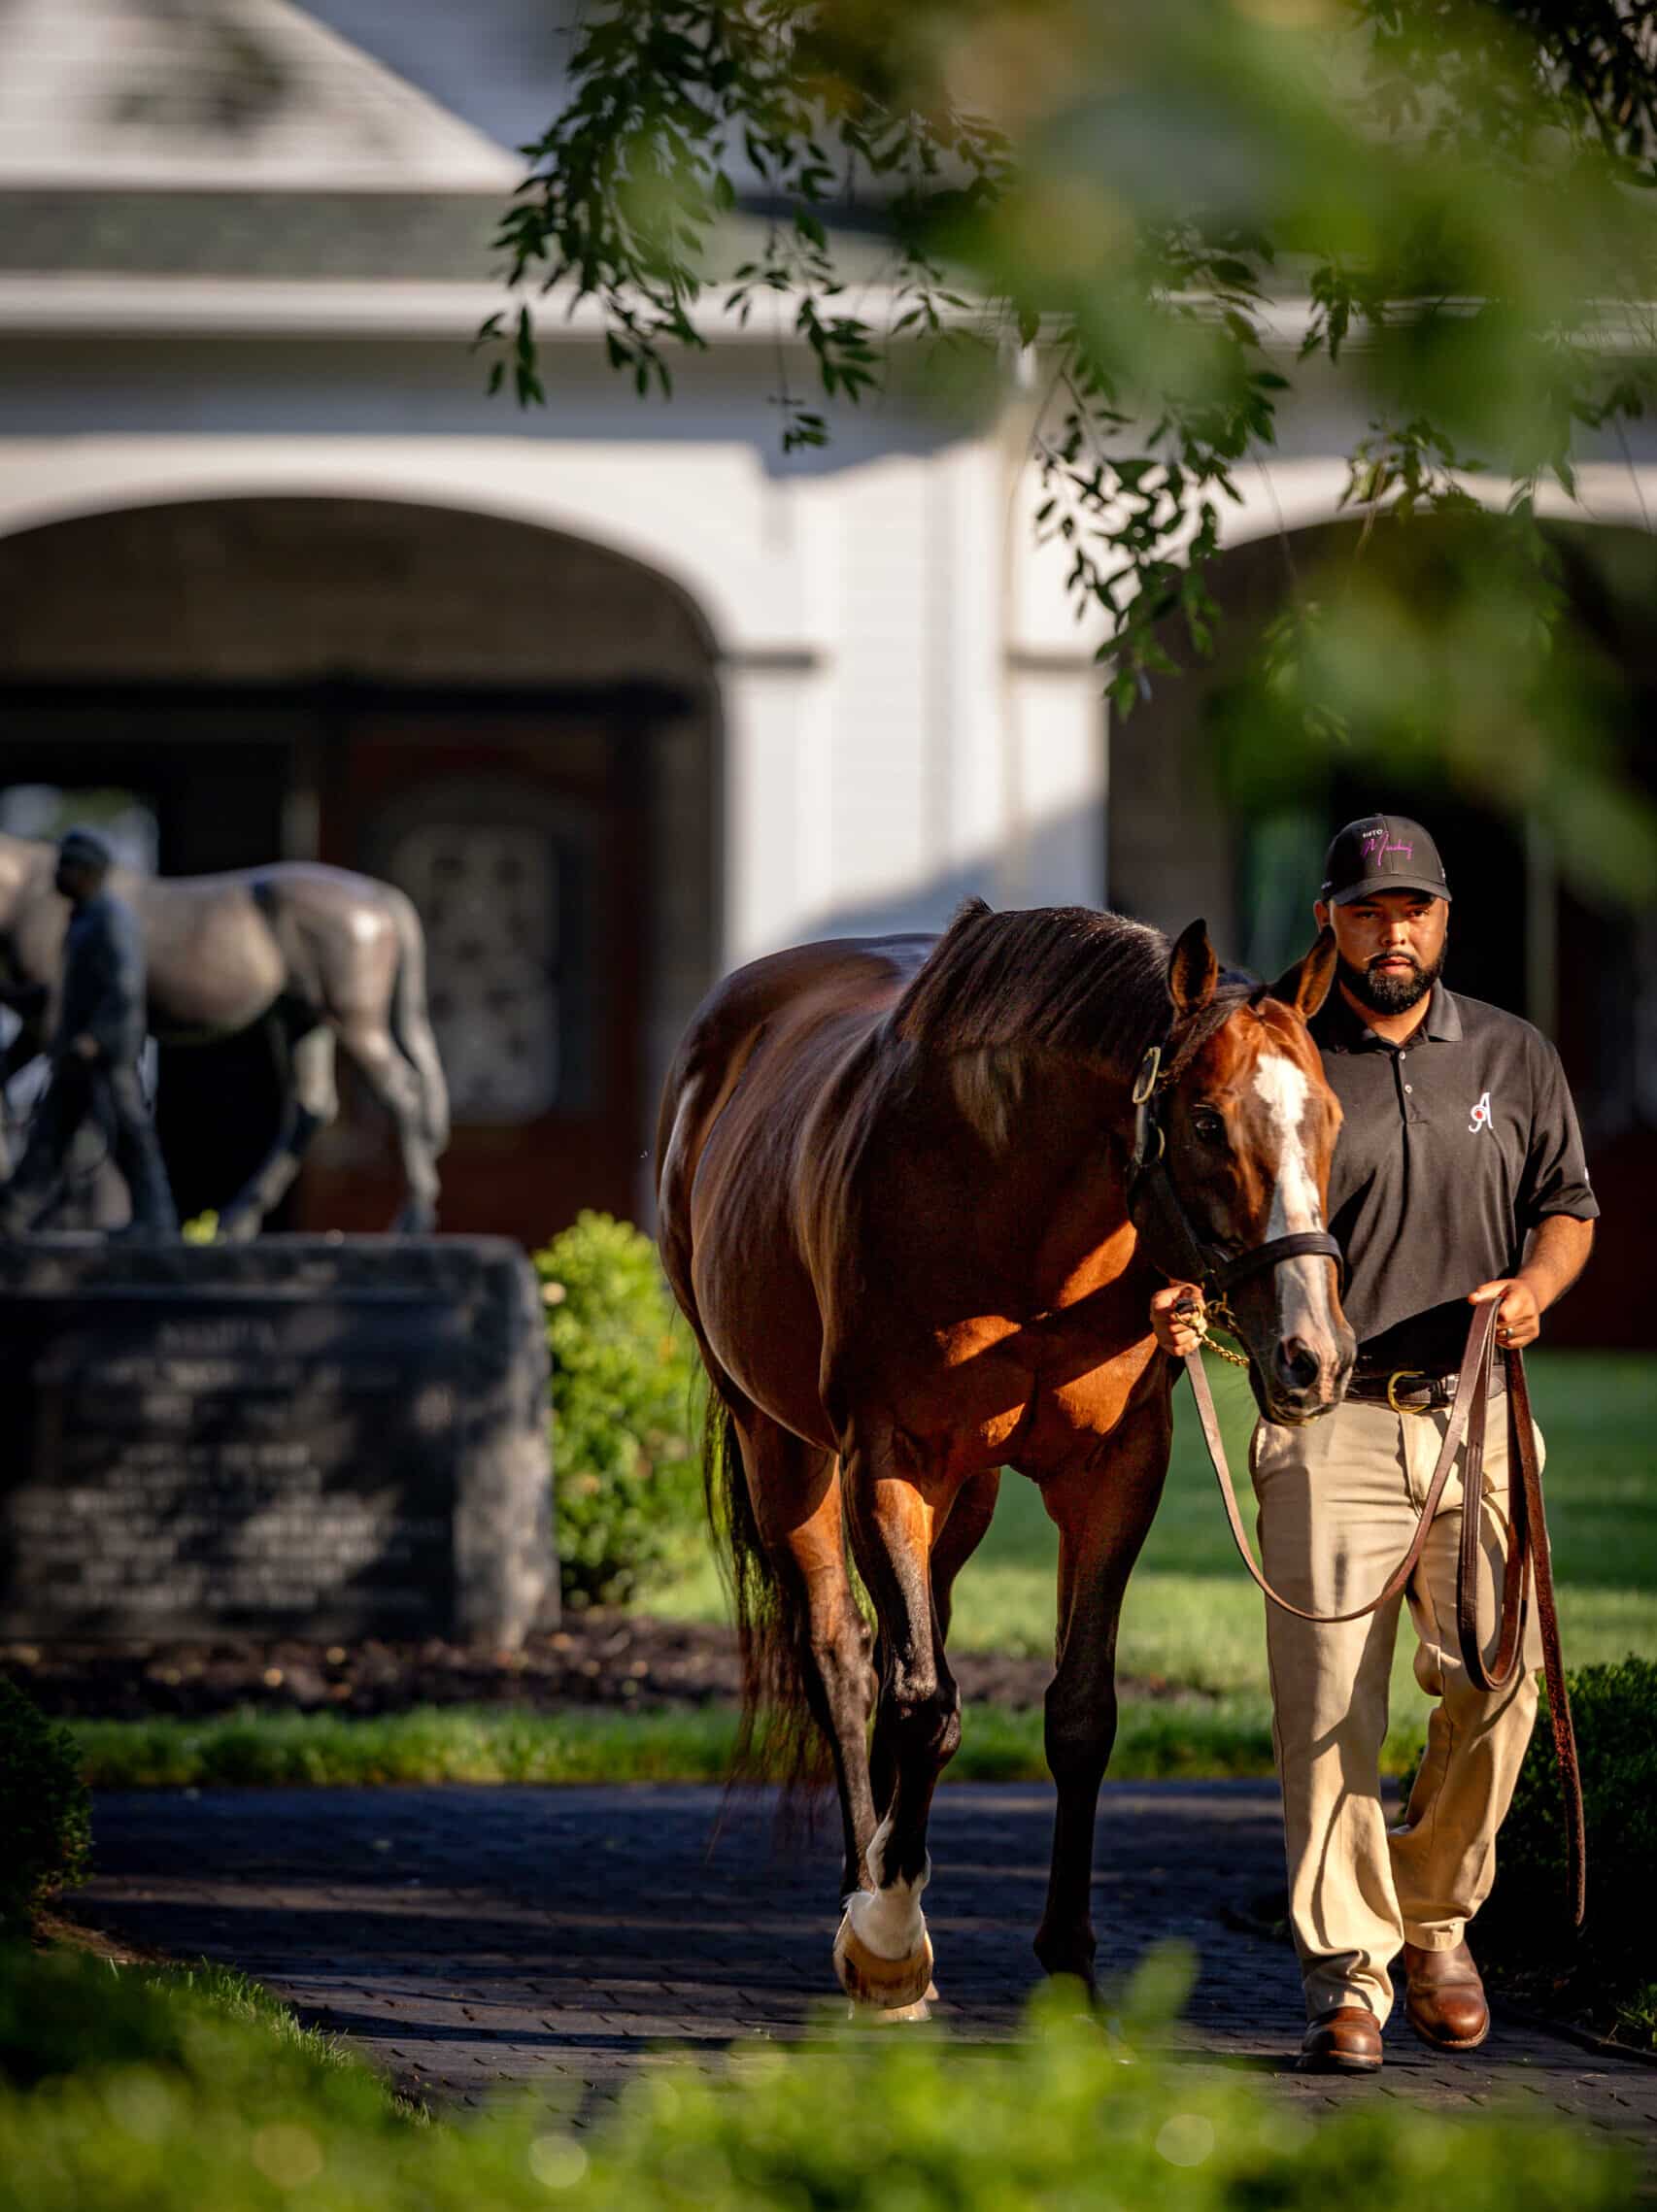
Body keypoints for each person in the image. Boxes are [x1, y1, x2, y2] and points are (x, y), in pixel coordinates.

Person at [1150, 813, 1596, 2075]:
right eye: (1363, 910)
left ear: (1442, 919)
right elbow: (1223, 1193)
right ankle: (1347, 1974)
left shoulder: (1511, 1054)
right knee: (1326, 1711)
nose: (1389, 931)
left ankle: (1432, 1912)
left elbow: (1565, 1208)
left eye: (1412, 910)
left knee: (1496, 1679)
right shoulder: (1286, 1053)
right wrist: (1189, 1290)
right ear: (1328, 923)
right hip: (1326, 1424)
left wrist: (1532, 1292)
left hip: (1477, 1415)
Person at [0, 828, 178, 1240]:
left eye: (65, 866)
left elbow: (125, 988)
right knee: (49, 1135)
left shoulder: (111, 920)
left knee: (130, 1135)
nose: (57, 876)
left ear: (87, 872)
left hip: (105, 1054)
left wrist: (97, 1038)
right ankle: (13, 1213)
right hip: (74, 1056)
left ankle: (157, 1218)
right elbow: (70, 992)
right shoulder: (81, 920)